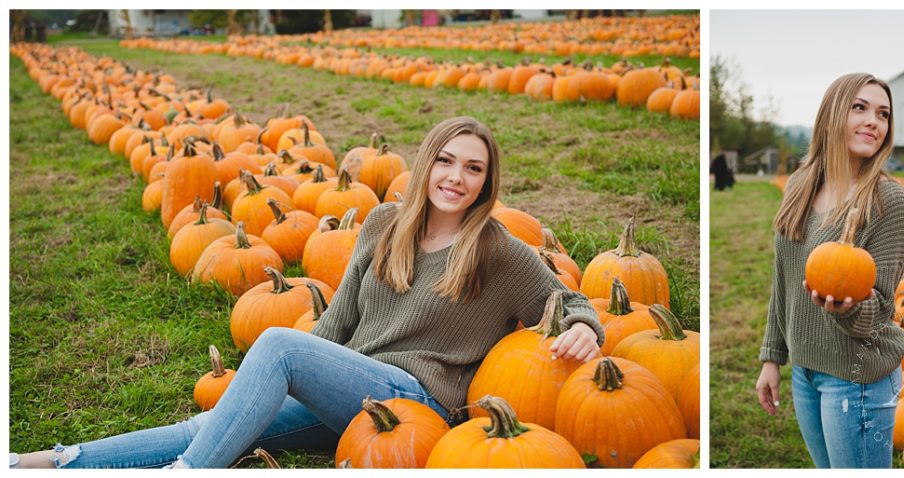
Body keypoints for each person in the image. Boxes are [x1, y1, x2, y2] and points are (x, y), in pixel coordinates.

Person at [11, 116, 605, 469]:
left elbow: (571, 302)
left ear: (486, 181)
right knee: (218, 421)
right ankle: (52, 462)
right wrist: (288, 381)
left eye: (473, 169)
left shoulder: (497, 248)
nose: (456, 177)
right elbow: (337, 318)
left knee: (278, 344)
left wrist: (585, 327)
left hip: (413, 405)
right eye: (446, 161)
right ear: (425, 165)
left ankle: (191, 474)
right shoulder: (381, 224)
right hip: (349, 390)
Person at [753, 73, 904, 468]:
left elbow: (880, 307)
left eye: (883, 114)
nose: (873, 121)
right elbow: (784, 279)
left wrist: (847, 310)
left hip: (856, 377)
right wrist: (772, 356)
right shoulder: (801, 185)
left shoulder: (887, 201)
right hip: (806, 372)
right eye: (859, 108)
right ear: (832, 114)